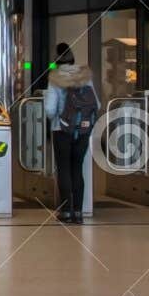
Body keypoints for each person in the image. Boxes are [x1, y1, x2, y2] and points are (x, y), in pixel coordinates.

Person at [43, 43, 100, 224]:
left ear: (57, 60)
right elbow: (96, 105)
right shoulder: (85, 76)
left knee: (64, 169)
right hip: (83, 131)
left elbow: (50, 109)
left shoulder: (55, 78)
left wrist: (57, 115)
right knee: (77, 168)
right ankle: (79, 212)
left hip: (62, 130)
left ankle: (66, 212)